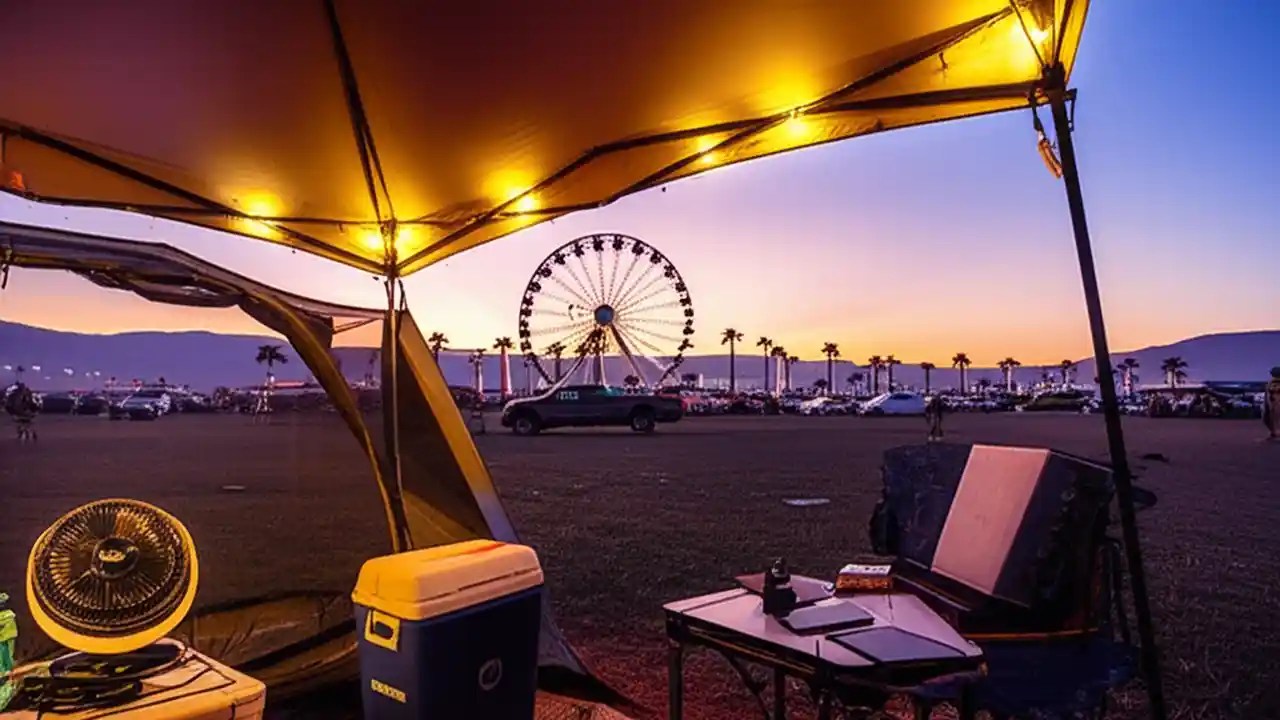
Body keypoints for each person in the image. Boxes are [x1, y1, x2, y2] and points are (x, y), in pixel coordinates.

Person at [1265, 367, 1280, 441]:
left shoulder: (1274, 382)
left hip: (1276, 402)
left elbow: (1273, 390)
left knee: (1276, 418)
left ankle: (1276, 433)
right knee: (1269, 418)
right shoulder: (1271, 382)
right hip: (1272, 402)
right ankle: (1273, 433)